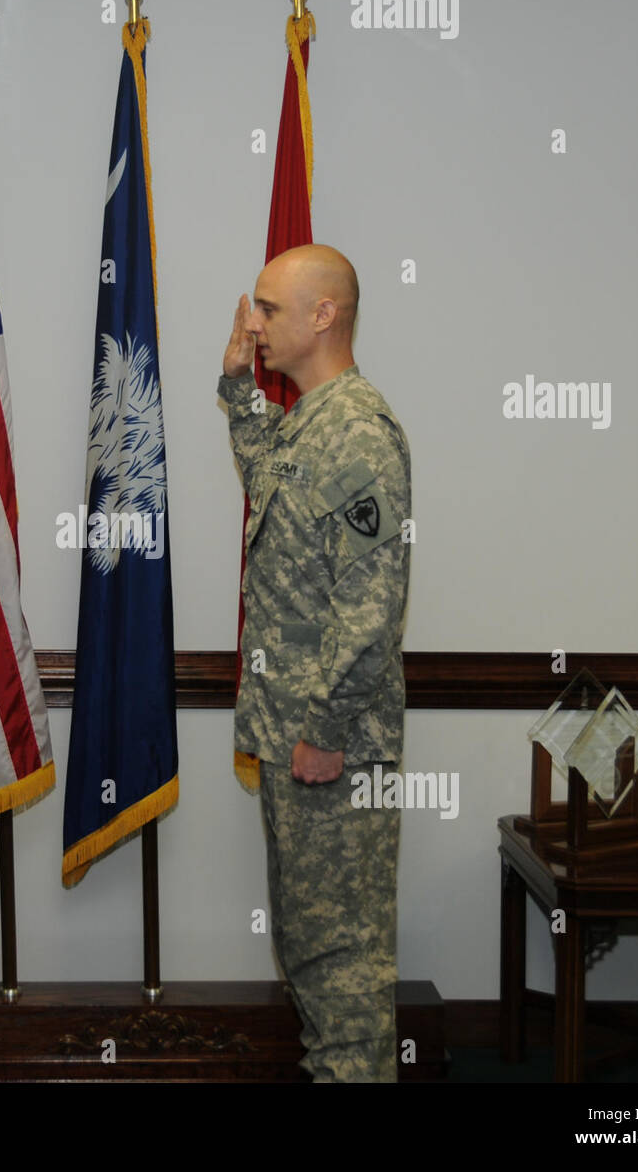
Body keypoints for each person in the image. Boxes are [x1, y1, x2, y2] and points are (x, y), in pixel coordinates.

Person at [218, 244, 412, 1082]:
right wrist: (236, 388)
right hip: (296, 734)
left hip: (329, 745)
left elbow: (370, 611)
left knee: (342, 968)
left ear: (324, 315)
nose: (253, 323)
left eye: (267, 308)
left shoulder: (360, 433)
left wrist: (325, 728)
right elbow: (268, 480)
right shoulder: (309, 419)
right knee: (309, 954)